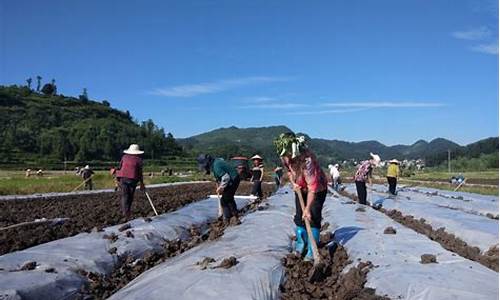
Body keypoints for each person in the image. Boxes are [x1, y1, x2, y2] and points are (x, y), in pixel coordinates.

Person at [274, 132, 328, 261]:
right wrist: (293, 183)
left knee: (312, 218)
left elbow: (313, 188)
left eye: (288, 155)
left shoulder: (307, 161)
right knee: (299, 217)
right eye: (284, 156)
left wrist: (308, 208)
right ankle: (300, 245)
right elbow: (289, 171)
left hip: (317, 189)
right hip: (301, 188)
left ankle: (311, 251)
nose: (286, 158)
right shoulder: (284, 157)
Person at [197, 154, 240, 222]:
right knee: (229, 198)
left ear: (207, 163)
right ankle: (234, 216)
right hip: (234, 178)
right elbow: (220, 175)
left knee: (224, 200)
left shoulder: (216, 165)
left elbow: (226, 177)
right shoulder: (215, 163)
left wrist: (221, 187)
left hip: (233, 179)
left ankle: (228, 218)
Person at [116, 144, 145, 219]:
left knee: (124, 195)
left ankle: (125, 212)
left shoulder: (124, 157)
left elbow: (120, 167)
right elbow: (140, 173)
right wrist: (142, 183)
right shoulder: (139, 160)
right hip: (133, 179)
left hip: (123, 178)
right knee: (130, 196)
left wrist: (116, 173)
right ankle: (127, 211)